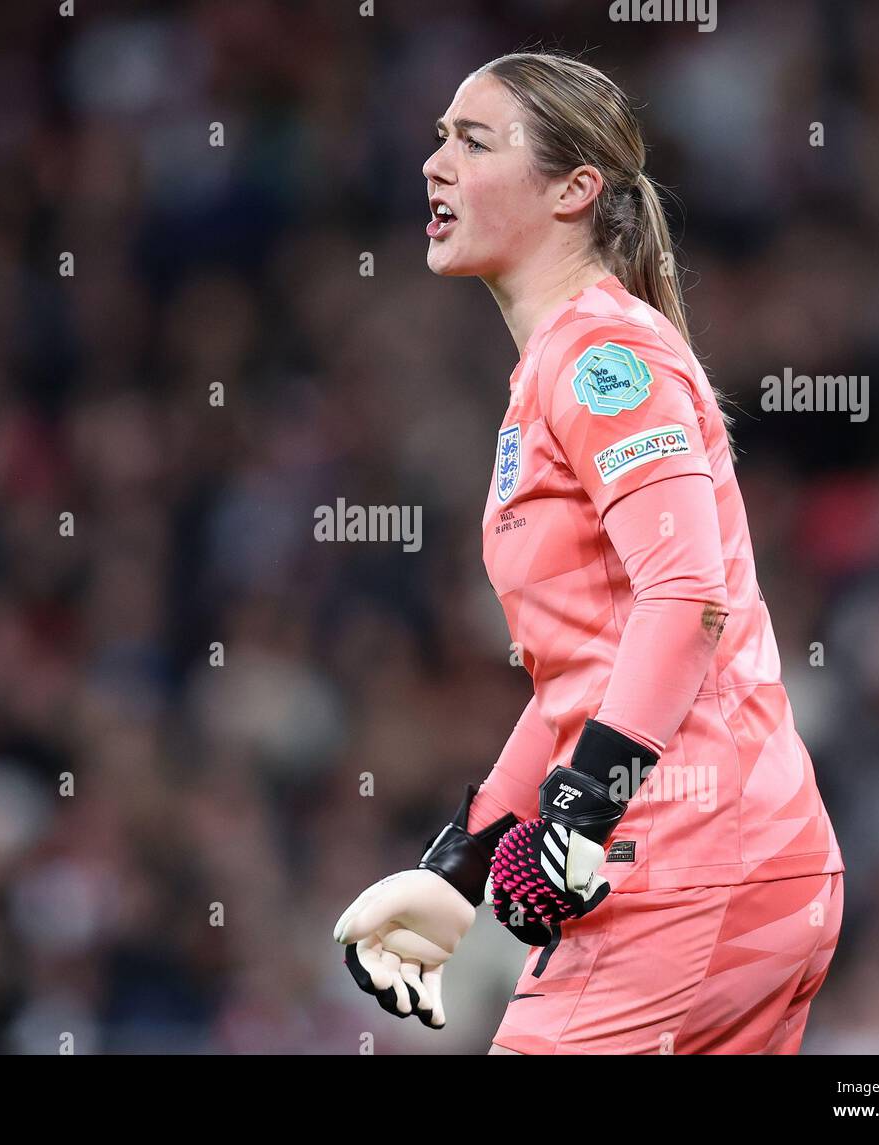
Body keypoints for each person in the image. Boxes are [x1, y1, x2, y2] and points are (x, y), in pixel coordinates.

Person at [333, 49, 844, 1054]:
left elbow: (685, 594)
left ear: (574, 190)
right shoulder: (561, 366)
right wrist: (461, 867)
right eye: (437, 137)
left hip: (686, 858)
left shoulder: (604, 357)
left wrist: (576, 814)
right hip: (732, 857)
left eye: (472, 141)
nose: (434, 163)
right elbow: (590, 673)